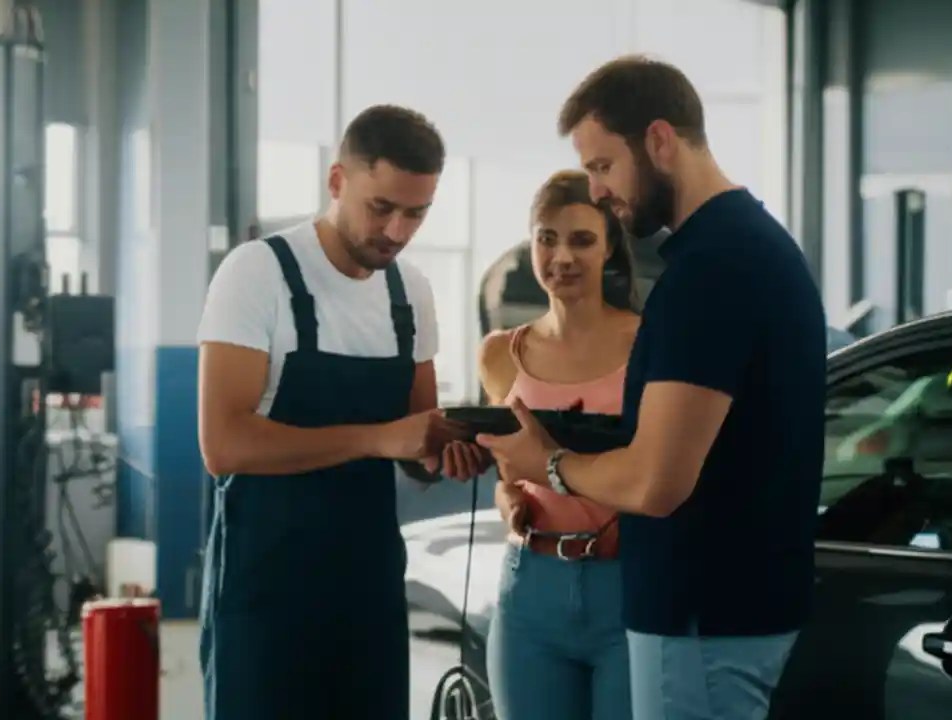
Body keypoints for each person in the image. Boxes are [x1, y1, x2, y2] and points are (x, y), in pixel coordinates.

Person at [476, 55, 827, 720]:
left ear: (660, 141)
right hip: (722, 609)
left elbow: (653, 484)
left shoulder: (710, 271)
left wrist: (543, 464)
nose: (599, 189)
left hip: (701, 614)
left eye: (605, 166)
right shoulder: (747, 249)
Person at [195, 104, 471, 720]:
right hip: (266, 586)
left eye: (416, 213)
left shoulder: (411, 293)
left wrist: (446, 448)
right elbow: (224, 444)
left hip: (367, 582)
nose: (397, 231)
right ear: (337, 181)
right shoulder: (257, 274)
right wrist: (378, 439)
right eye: (382, 208)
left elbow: (416, 446)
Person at [480, 170, 639, 720]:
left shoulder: (650, 343)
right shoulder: (501, 354)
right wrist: (509, 503)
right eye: (547, 238)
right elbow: (508, 475)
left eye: (581, 240)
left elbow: (665, 467)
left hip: (629, 582)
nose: (561, 256)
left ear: (610, 247)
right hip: (531, 587)